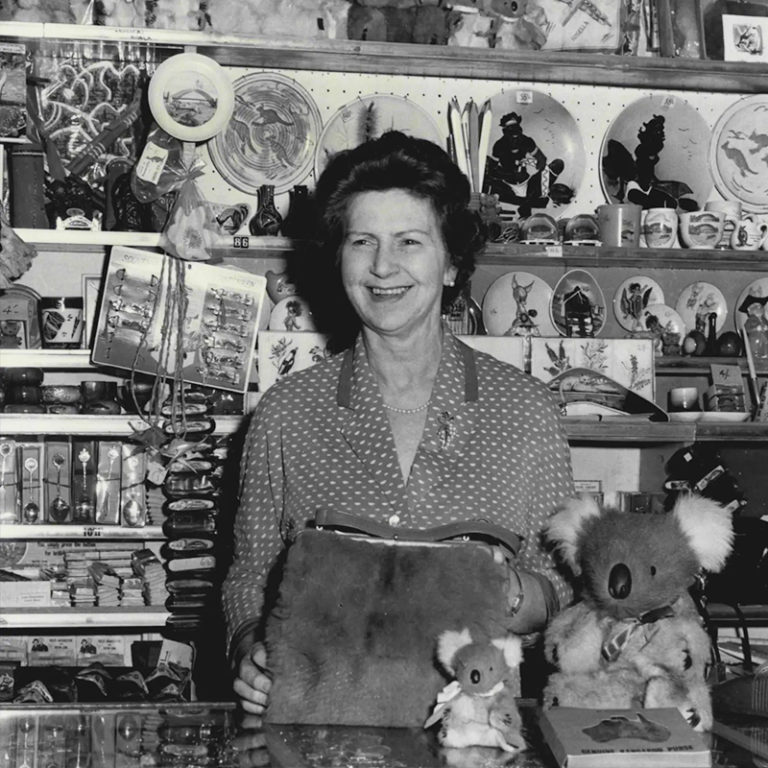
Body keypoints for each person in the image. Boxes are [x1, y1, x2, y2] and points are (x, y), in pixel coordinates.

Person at [222, 131, 575, 716]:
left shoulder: (525, 410)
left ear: (453, 263)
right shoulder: (288, 410)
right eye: (363, 241)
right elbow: (251, 573)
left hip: (473, 733)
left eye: (410, 241)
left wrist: (510, 592)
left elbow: (561, 585)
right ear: (339, 257)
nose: (383, 266)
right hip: (318, 729)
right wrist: (246, 649)